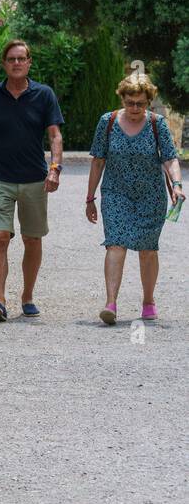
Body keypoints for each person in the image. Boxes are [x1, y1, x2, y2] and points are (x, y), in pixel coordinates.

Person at [0, 39, 64, 321]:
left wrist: (55, 168)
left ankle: (27, 295)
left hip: (34, 181)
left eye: (21, 59)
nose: (16, 63)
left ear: (29, 63)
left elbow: (55, 135)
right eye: (11, 59)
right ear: (4, 64)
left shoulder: (44, 95)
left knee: (32, 239)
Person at [85, 74, 184, 324]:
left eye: (140, 103)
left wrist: (177, 184)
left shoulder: (156, 123)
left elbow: (170, 158)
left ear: (149, 101)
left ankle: (148, 300)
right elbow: (98, 160)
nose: (135, 109)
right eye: (130, 103)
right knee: (115, 243)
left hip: (150, 195)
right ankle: (111, 303)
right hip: (116, 193)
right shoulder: (107, 122)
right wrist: (90, 197)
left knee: (147, 250)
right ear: (122, 98)